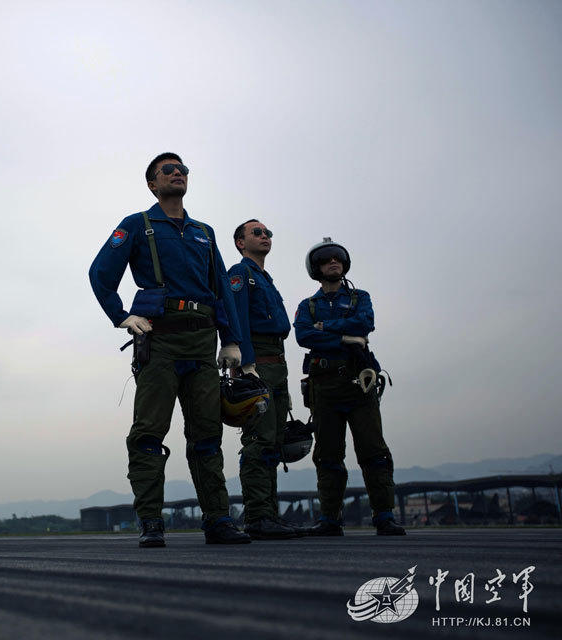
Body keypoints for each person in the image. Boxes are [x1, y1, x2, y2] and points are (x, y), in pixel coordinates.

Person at [89, 153, 254, 547]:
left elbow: (220, 288)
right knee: (148, 432)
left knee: (207, 433)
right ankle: (151, 521)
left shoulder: (204, 232)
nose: (177, 173)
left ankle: (218, 519)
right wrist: (121, 316)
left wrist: (232, 340)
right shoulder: (137, 225)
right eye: (168, 170)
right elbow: (100, 273)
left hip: (202, 342)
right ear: (152, 183)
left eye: (182, 169)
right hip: (159, 341)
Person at [293, 238, 405, 536]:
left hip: (359, 383)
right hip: (323, 387)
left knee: (373, 450)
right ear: (315, 267)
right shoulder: (308, 306)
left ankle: (384, 516)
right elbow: (303, 336)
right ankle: (330, 519)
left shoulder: (360, 298)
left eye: (338, 257)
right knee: (327, 454)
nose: (334, 261)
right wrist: (344, 338)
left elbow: (365, 323)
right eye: (326, 258)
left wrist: (325, 328)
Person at [227, 220, 301, 540]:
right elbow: (237, 318)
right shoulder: (240, 274)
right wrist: (245, 365)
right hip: (258, 363)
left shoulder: (265, 279)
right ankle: (257, 516)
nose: (265, 236)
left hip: (277, 363)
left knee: (273, 440)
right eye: (256, 233)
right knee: (258, 438)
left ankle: (270, 514)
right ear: (241, 243)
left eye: (268, 233)